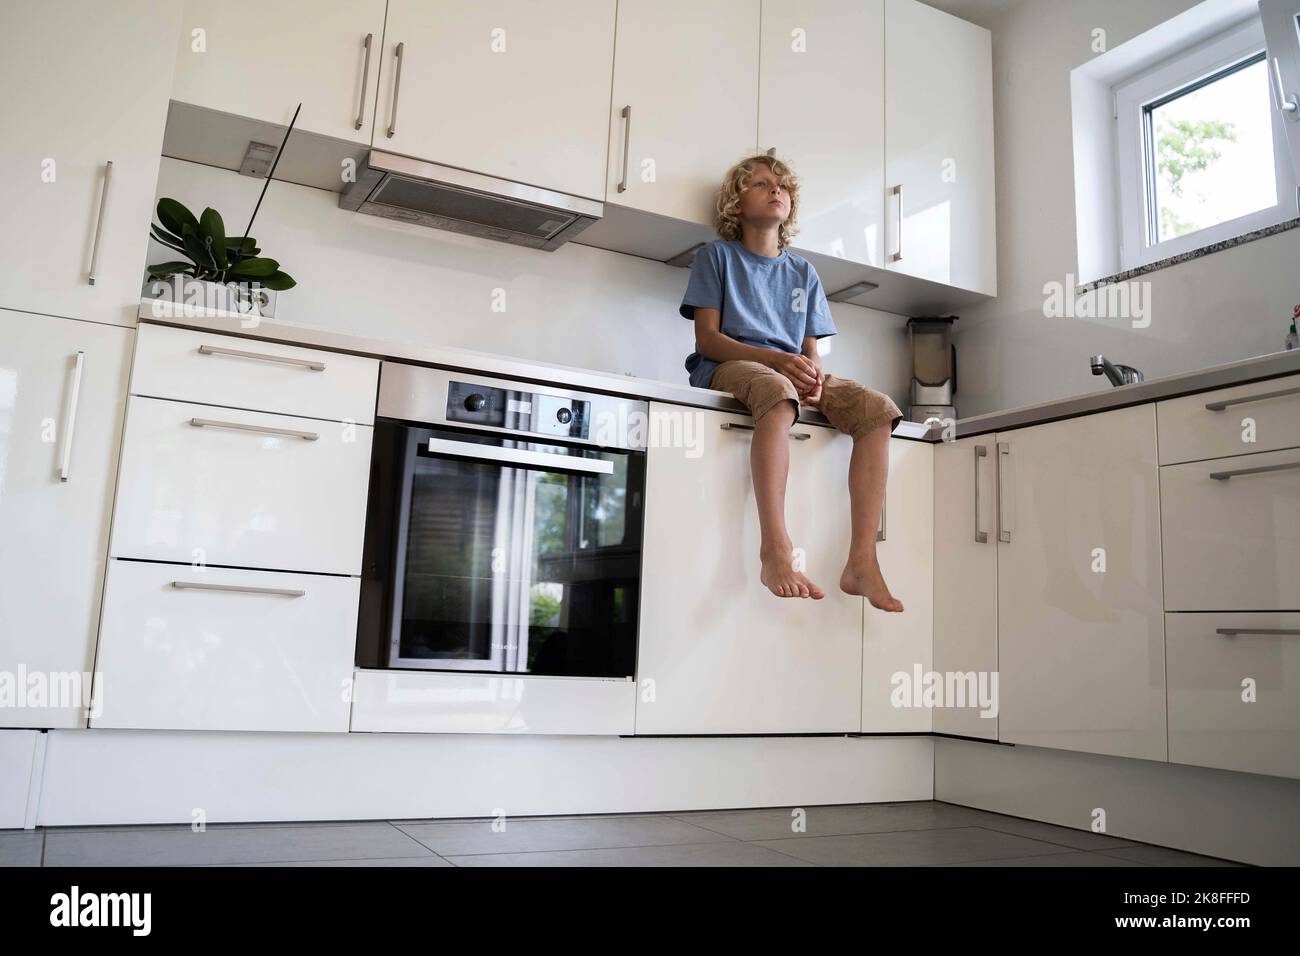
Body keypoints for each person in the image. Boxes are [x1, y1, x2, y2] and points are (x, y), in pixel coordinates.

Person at [679, 154, 904, 611]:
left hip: (786, 368)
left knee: (878, 409)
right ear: (736, 204)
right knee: (778, 393)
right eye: (760, 183)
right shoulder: (716, 257)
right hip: (732, 363)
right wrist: (777, 362)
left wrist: (815, 378)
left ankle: (862, 561)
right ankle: (776, 551)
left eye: (782, 185)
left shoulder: (803, 272)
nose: (775, 189)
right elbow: (707, 339)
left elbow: (810, 350)